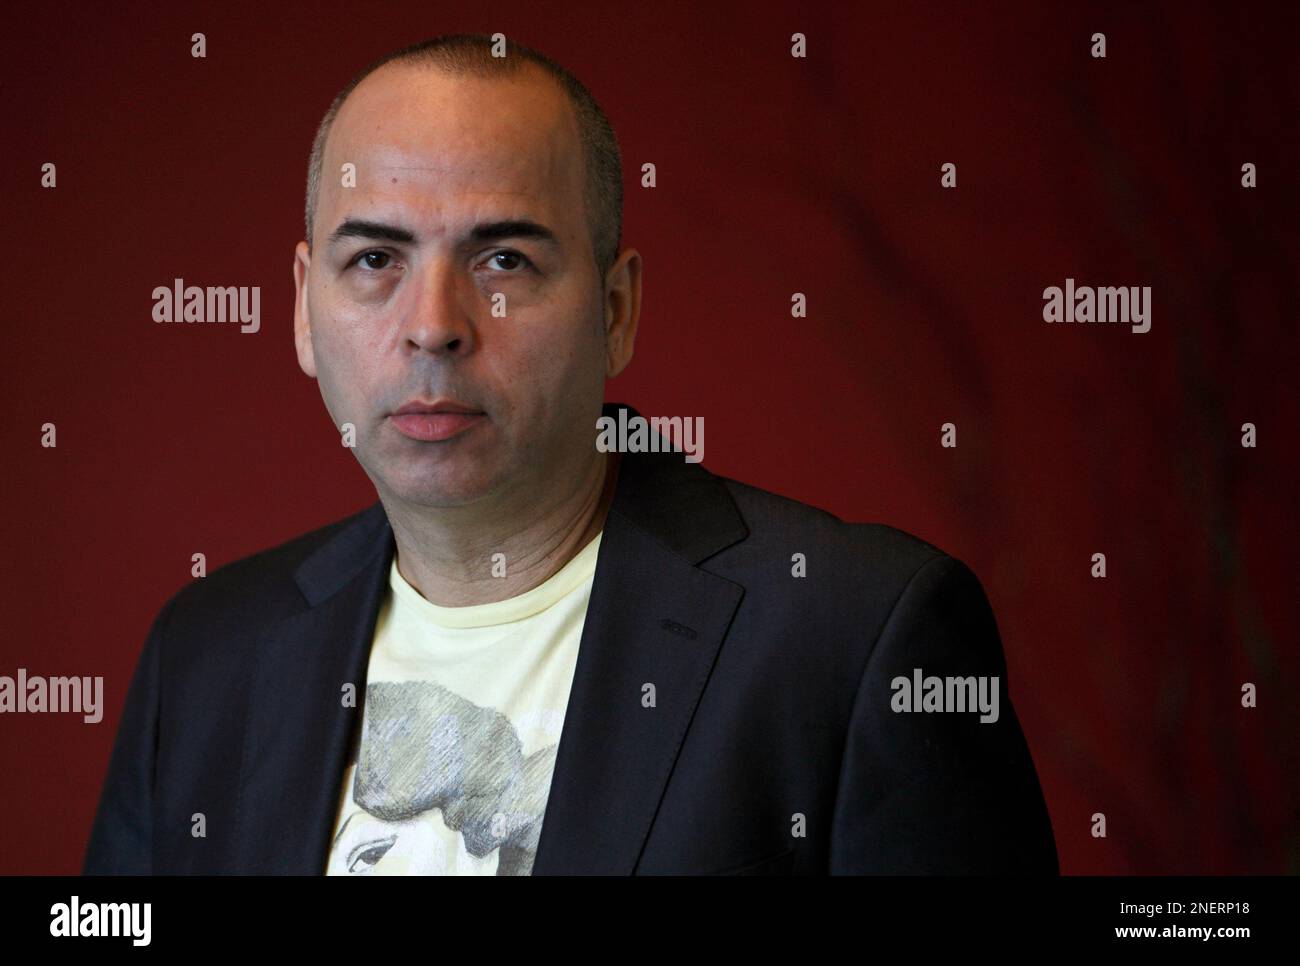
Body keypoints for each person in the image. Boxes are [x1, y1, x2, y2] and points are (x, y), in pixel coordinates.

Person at [83, 32, 1057, 875]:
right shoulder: (205, 656)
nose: (433, 326)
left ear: (616, 309)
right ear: (302, 308)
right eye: (374, 259)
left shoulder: (856, 637)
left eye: (504, 259)